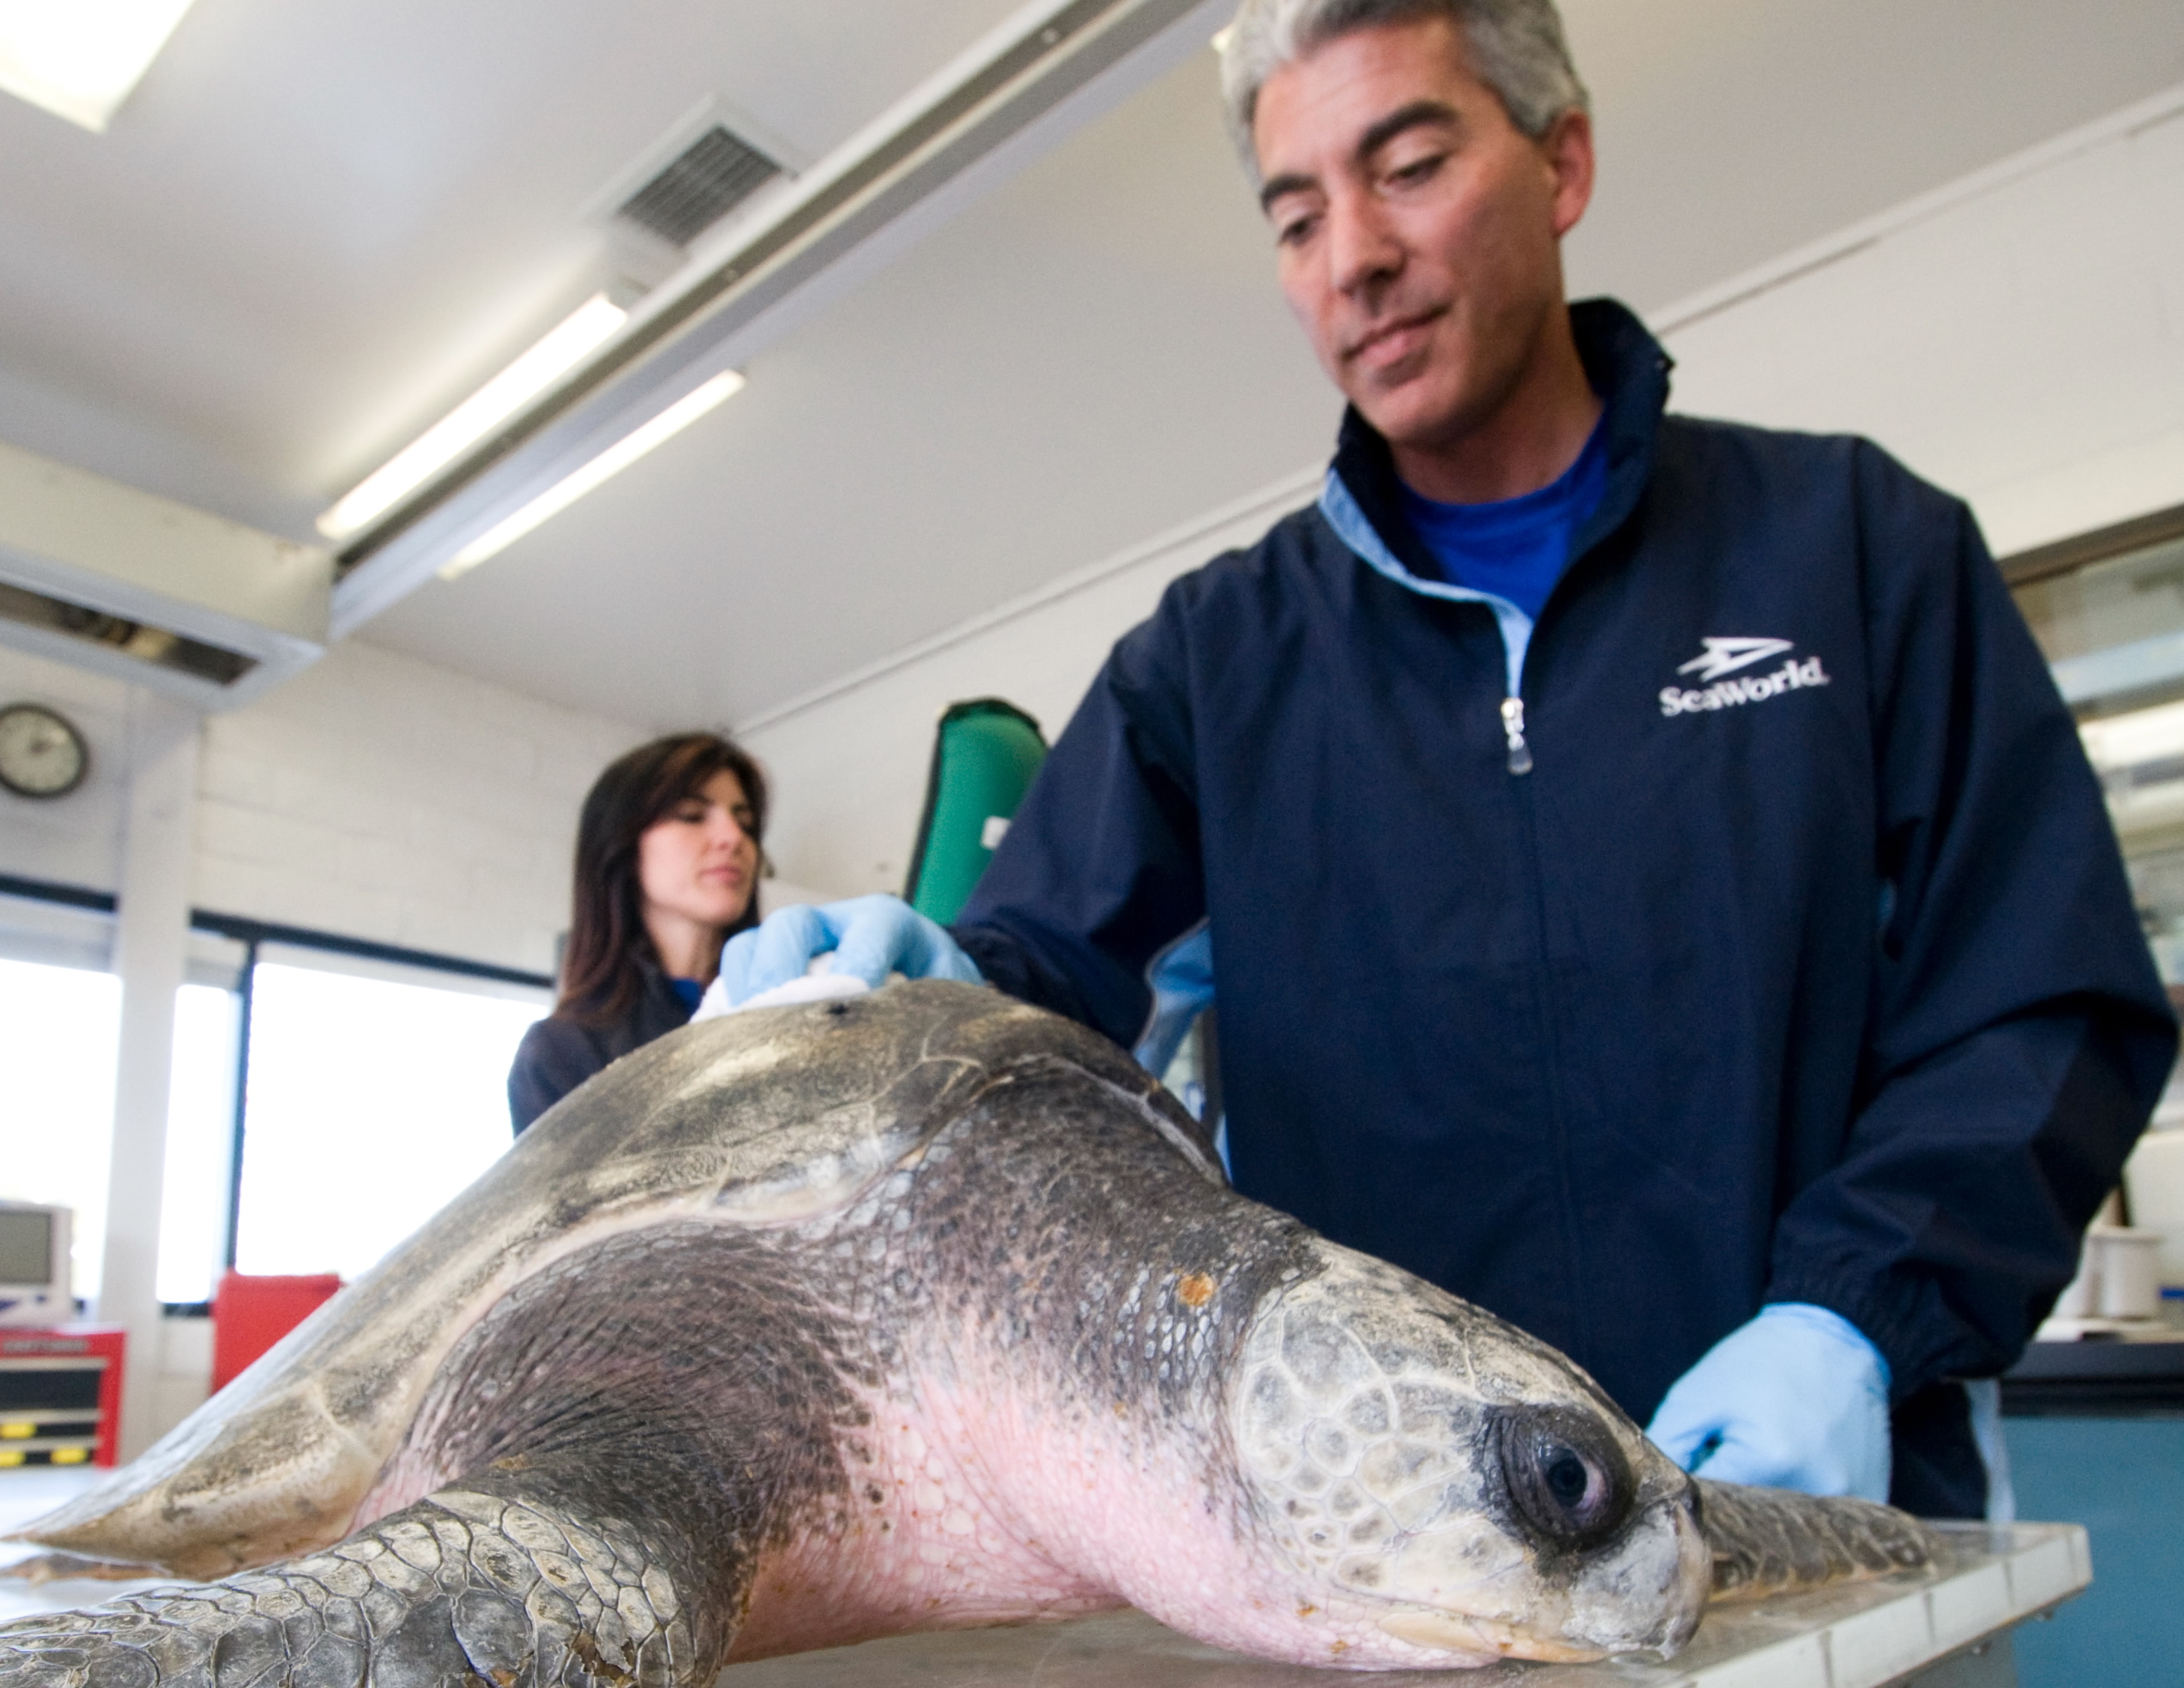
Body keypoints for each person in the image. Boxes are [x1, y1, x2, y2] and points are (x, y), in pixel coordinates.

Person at [719, 0, 2178, 1518]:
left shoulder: (1855, 555)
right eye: (1295, 218)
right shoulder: (1217, 666)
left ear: (1563, 162)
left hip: (1823, 1515)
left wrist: (1856, 1320)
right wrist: (921, 990)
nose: (1350, 254)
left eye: (1406, 164)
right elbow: (1053, 986)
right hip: (1396, 1545)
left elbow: (2040, 1000)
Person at [509, 733, 766, 1134]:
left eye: (746, 822)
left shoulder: (794, 999)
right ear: (623, 847)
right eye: (692, 815)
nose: (734, 838)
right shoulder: (561, 1053)